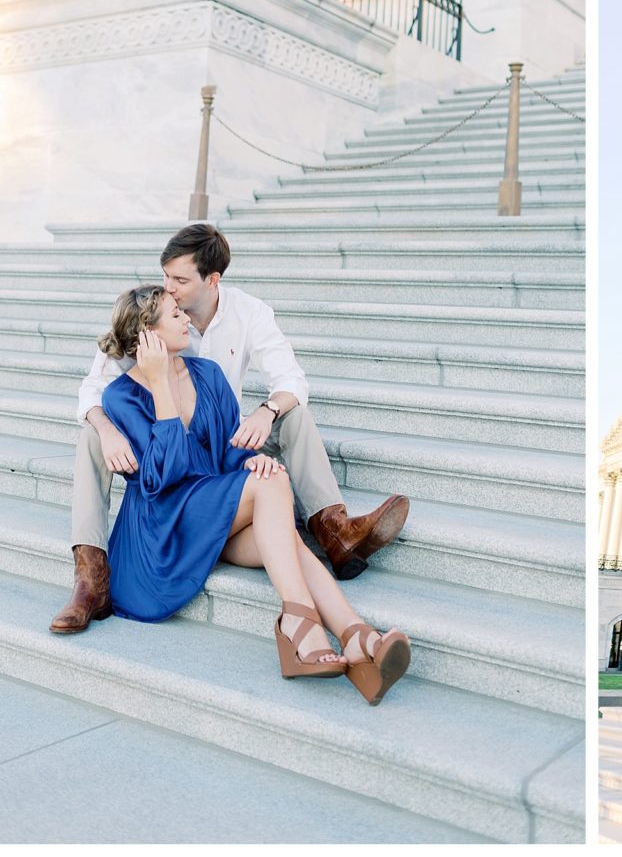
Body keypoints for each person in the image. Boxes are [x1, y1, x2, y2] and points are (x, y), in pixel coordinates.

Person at [50, 223, 408, 635]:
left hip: (228, 440)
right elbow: (95, 390)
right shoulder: (148, 319)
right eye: (167, 278)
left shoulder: (244, 317)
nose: (172, 289)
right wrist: (108, 428)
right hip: (161, 463)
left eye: (180, 281)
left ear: (212, 280)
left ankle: (336, 541)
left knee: (293, 416)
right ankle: (91, 575)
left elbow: (291, 381)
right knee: (93, 431)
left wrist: (265, 416)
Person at [97, 284, 410, 703]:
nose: (188, 318)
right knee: (276, 502)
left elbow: (229, 450)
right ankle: (305, 623)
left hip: (213, 513)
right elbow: (159, 479)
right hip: (165, 528)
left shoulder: (206, 373)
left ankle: (355, 635)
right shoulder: (121, 397)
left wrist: (251, 462)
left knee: (281, 514)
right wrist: (159, 386)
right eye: (175, 315)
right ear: (147, 336)